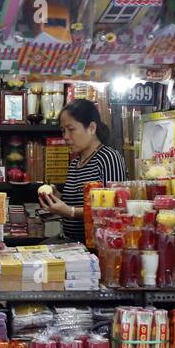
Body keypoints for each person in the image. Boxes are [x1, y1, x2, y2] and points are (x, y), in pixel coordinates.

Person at [38, 98, 128, 242]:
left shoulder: (108, 158)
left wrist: (71, 212)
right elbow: (75, 202)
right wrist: (56, 197)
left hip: (96, 245)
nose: (65, 137)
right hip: (70, 241)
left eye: (71, 129)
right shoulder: (75, 163)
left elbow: (114, 208)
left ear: (92, 128)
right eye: (63, 131)